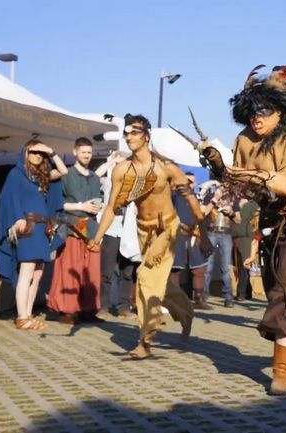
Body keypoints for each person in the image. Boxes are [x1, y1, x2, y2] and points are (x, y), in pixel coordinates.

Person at [196, 65, 286, 394]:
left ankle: (282, 372)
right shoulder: (244, 139)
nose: (257, 117)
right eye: (252, 110)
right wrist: (222, 173)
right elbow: (242, 191)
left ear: (280, 109)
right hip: (274, 218)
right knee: (279, 289)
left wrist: (237, 174)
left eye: (265, 109)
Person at [89, 114, 211, 359]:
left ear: (146, 136)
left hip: (167, 228)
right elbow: (112, 206)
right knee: (160, 284)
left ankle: (145, 340)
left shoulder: (166, 167)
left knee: (144, 276)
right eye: (127, 132)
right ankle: (186, 313)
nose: (129, 136)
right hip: (143, 231)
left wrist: (204, 236)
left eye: (134, 132)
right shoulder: (122, 170)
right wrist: (97, 238)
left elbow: (192, 203)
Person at [0, 139, 68, 330]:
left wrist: (51, 151)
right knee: (27, 270)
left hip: (42, 228)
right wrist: (17, 218)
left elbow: (63, 171)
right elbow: (10, 197)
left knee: (37, 274)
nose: (37, 155)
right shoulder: (16, 173)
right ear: (25, 153)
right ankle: (21, 317)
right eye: (33, 152)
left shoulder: (41, 176)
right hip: (27, 226)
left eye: (40, 153)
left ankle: (28, 314)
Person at [47, 137, 105, 324]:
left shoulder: (95, 178)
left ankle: (88, 309)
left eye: (89, 152)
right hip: (71, 226)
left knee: (91, 270)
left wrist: (97, 207)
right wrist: (81, 205)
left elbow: (98, 199)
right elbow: (57, 203)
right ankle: (67, 310)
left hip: (91, 228)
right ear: (75, 152)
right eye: (83, 152)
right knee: (70, 268)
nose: (87, 155)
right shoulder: (66, 175)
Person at [95, 150, 138, 318]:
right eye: (119, 163)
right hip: (110, 230)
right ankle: (103, 306)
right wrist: (109, 162)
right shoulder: (107, 181)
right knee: (106, 271)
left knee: (126, 272)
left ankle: (123, 307)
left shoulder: (134, 182)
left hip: (128, 231)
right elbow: (93, 176)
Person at [170, 172, 211, 310]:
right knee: (175, 269)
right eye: (187, 181)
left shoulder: (198, 198)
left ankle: (199, 300)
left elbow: (204, 213)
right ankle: (174, 301)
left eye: (192, 182)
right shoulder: (174, 196)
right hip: (179, 233)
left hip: (195, 234)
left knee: (199, 269)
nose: (189, 184)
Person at [202, 182, 237, 308]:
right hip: (211, 233)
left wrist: (231, 212)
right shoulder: (210, 197)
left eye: (227, 186)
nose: (224, 188)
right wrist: (215, 199)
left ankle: (228, 297)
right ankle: (203, 297)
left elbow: (239, 219)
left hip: (226, 235)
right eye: (222, 186)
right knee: (208, 267)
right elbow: (203, 213)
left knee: (225, 268)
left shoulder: (233, 199)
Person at [231, 198, 260, 303]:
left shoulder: (250, 212)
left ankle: (241, 293)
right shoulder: (244, 214)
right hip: (240, 241)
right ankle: (247, 292)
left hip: (245, 241)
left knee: (243, 268)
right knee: (243, 268)